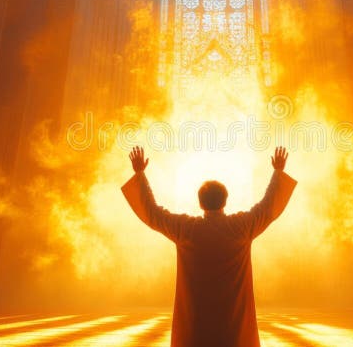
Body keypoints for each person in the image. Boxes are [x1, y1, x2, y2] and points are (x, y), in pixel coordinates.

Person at [121, 146, 297, 347]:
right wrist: (278, 172)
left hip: (197, 323)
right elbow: (267, 207)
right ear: (225, 200)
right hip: (233, 323)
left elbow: (153, 213)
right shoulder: (240, 228)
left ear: (200, 203)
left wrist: (140, 174)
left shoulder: (186, 230)